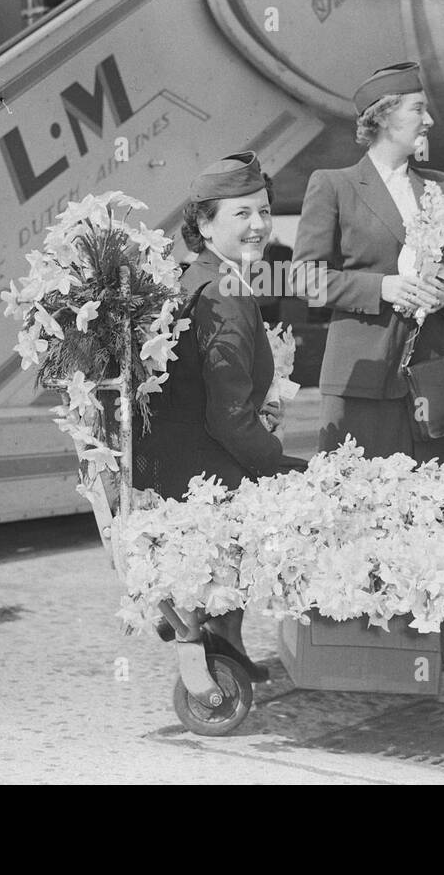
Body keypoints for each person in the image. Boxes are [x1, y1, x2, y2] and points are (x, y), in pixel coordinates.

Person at [133, 151, 307, 682]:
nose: (258, 225)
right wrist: (277, 462)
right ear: (204, 224)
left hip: (173, 461)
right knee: (311, 489)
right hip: (195, 470)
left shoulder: (202, 276)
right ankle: (197, 611)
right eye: (241, 214)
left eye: (264, 211)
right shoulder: (227, 294)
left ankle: (223, 636)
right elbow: (228, 418)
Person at [293, 62, 444, 464]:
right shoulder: (333, 185)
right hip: (361, 380)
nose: (430, 120)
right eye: (418, 109)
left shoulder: (441, 186)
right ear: (384, 116)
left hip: (431, 377)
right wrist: (381, 287)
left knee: (440, 504)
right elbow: (304, 279)